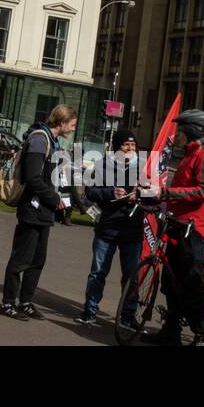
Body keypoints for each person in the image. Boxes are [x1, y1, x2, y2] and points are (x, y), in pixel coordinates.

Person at [149, 108, 204, 346]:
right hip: (178, 224)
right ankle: (171, 331)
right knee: (171, 282)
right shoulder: (191, 153)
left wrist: (166, 192)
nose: (178, 135)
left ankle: (203, 335)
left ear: (192, 130)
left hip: (194, 228)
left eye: (181, 130)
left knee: (192, 283)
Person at [0, 104, 77, 319]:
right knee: (21, 259)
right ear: (61, 122)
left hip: (44, 210)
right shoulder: (39, 139)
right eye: (71, 125)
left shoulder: (53, 142)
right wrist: (54, 198)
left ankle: (25, 301)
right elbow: (33, 177)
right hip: (32, 208)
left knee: (37, 260)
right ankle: (8, 303)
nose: (72, 129)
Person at [75, 128, 143, 327]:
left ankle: (128, 315)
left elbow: (155, 196)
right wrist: (110, 193)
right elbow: (90, 192)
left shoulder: (143, 168)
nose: (130, 149)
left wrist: (138, 196)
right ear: (117, 148)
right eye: (126, 145)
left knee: (131, 275)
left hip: (132, 229)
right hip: (107, 228)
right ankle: (90, 309)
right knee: (98, 272)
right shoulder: (103, 164)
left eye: (133, 145)